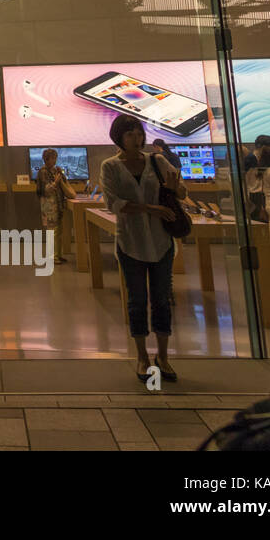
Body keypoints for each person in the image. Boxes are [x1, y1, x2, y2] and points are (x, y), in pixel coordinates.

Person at [101, 114, 184, 383]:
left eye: (139, 133)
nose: (136, 139)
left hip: (161, 242)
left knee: (161, 299)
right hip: (131, 242)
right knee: (137, 301)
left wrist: (175, 189)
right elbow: (113, 203)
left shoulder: (157, 161)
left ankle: (163, 356)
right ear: (119, 137)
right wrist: (150, 208)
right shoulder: (110, 166)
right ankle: (141, 357)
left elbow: (180, 192)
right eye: (130, 134)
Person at [35, 148, 75, 265]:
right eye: (53, 158)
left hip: (57, 204)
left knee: (59, 231)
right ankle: (53, 257)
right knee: (53, 231)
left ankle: (58, 254)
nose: (55, 160)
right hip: (49, 206)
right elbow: (45, 190)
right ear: (47, 159)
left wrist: (61, 176)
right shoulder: (43, 172)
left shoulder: (54, 170)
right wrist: (56, 182)